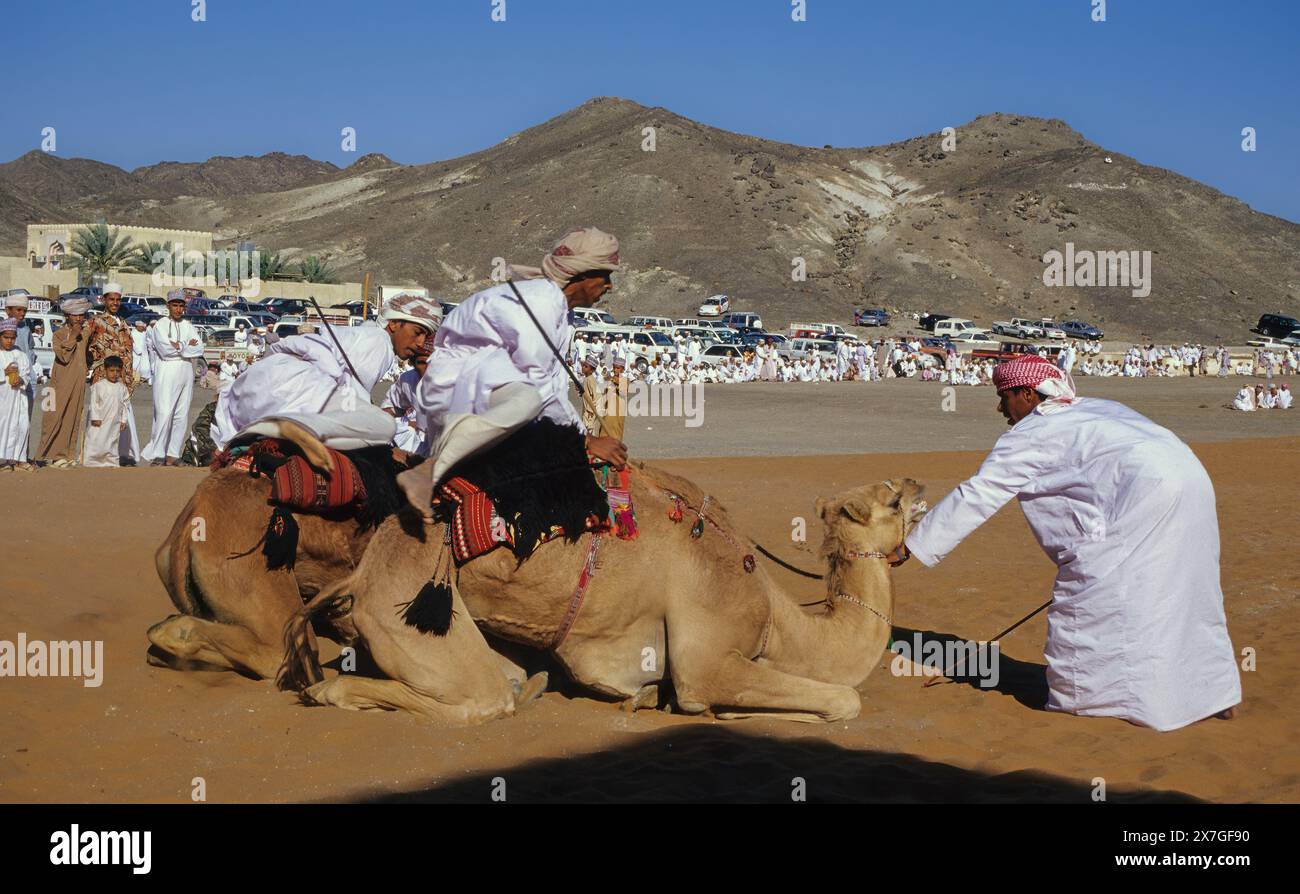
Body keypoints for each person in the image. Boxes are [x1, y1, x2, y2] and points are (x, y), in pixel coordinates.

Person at [895, 355, 1240, 732]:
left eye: (1003, 396)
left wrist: (912, 545)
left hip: (1146, 496)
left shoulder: (1033, 433)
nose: (1000, 407)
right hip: (1191, 481)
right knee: (1185, 589)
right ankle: (1212, 693)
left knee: (1095, 596)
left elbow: (978, 494)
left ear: (1027, 394)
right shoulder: (1098, 407)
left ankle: (1092, 700)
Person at [415, 226, 626, 467]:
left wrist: (578, 435)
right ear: (583, 274)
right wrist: (585, 440)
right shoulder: (540, 302)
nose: (609, 286)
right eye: (605, 276)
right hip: (461, 397)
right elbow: (537, 383)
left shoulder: (559, 312)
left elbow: (554, 385)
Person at [209, 293, 440, 454]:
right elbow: (352, 397)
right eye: (417, 332)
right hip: (295, 387)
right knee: (383, 429)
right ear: (394, 324)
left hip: (261, 386)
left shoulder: (362, 334)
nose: (420, 343)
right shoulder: (379, 343)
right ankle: (297, 427)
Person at [141, 290, 205, 466]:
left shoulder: (188, 325)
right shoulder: (160, 325)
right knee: (164, 412)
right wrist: (186, 346)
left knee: (181, 413)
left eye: (181, 306)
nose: (178, 309)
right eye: (175, 305)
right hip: (167, 370)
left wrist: (179, 346)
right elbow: (165, 350)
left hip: (186, 370)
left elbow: (199, 348)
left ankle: (172, 453)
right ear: (168, 306)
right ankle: (158, 453)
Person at [86, 283, 140, 464]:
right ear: (104, 300)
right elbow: (86, 345)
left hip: (122, 378)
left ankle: (119, 455)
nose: (115, 303)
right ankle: (95, 456)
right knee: (100, 416)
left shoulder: (124, 323)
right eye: (111, 299)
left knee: (122, 416)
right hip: (103, 374)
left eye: (118, 300)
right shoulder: (97, 321)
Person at [37, 296, 91, 466]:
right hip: (61, 381)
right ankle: (52, 454)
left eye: (82, 315)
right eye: (75, 315)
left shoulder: (86, 332)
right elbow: (63, 356)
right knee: (55, 415)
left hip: (79, 381)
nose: (79, 318)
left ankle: (67, 454)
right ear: (67, 315)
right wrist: (73, 336)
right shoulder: (58, 334)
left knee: (73, 416)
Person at [382, 340, 433, 455]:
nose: (430, 369)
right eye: (422, 363)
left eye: (434, 362)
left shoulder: (456, 384)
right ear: (413, 364)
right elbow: (391, 407)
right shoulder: (407, 381)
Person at [83, 355, 131, 467]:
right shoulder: (98, 386)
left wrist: (123, 420)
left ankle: (111, 461)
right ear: (105, 370)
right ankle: (91, 461)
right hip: (100, 420)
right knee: (96, 439)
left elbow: (125, 404)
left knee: (112, 441)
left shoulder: (122, 388)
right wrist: (95, 418)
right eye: (112, 370)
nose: (115, 374)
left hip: (115, 421)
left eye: (118, 371)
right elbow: (94, 403)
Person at [0, 318, 33, 469]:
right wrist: (4, 372)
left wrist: (21, 380)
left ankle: (19, 458)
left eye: (12, 337)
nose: (9, 341)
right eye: (6, 337)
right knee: (3, 426)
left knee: (22, 426)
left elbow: (27, 374)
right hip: (3, 399)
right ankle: (3, 460)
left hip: (19, 397)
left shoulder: (19, 353)